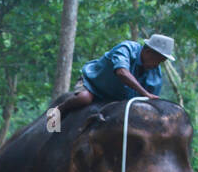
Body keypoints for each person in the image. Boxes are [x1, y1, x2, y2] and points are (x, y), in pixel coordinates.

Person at [46, 34, 175, 129]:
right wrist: (144, 92)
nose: (157, 64)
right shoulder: (127, 48)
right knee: (84, 98)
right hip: (91, 83)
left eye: (161, 62)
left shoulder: (155, 73)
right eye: (157, 60)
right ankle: (58, 110)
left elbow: (150, 100)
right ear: (147, 52)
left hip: (118, 98)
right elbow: (122, 72)